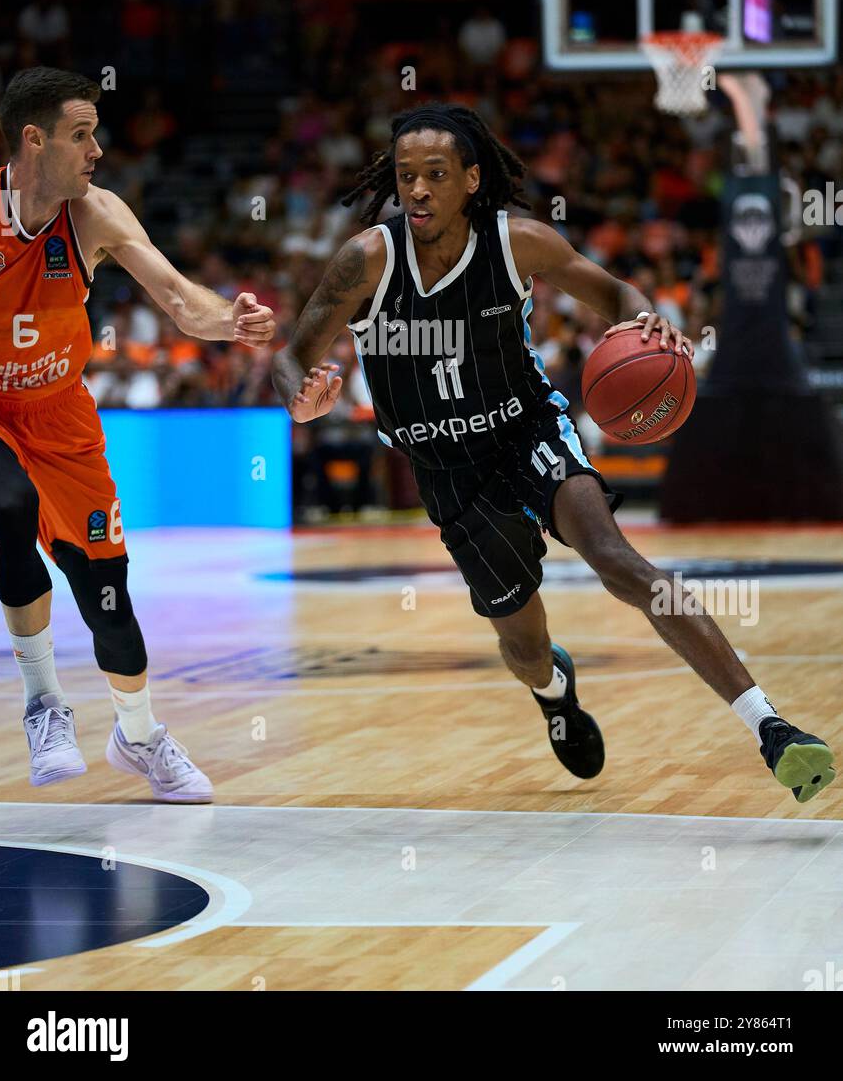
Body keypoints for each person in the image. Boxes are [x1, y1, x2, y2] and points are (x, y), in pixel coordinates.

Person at [272, 103, 835, 804]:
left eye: (436, 175)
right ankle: (555, 692)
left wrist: (647, 316)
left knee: (620, 561)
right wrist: (301, 397)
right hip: (448, 471)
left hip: (527, 432)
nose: (416, 189)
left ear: (472, 180)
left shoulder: (519, 244)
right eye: (406, 175)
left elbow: (614, 292)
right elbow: (292, 359)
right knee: (526, 647)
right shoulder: (365, 261)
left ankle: (771, 727)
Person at [0, 67, 274, 800]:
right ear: (34, 139)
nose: (97, 150)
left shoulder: (96, 215)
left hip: (62, 415)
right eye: (82, 135)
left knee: (108, 598)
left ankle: (137, 735)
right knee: (9, 509)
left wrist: (229, 321)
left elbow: (179, 300)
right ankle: (45, 703)